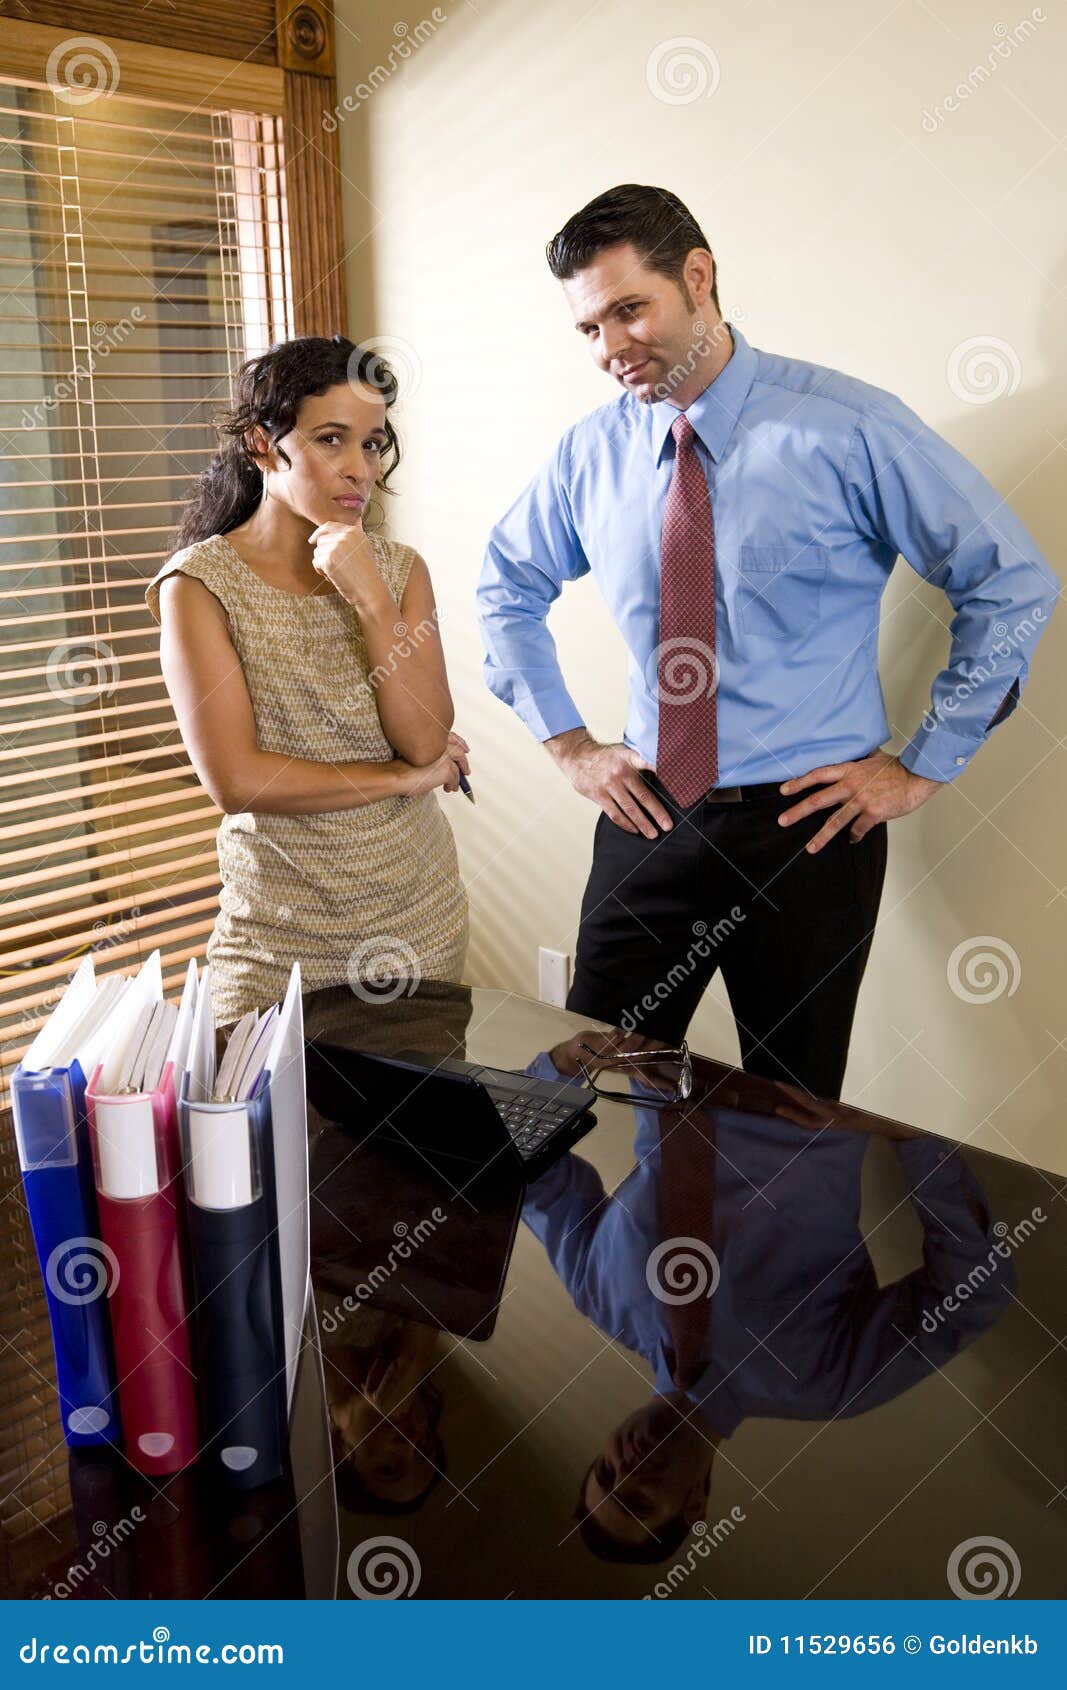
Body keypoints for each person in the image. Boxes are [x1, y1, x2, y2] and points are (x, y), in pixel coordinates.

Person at [477, 184, 1058, 1101]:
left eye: (629, 309)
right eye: (588, 327)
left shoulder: (849, 427)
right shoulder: (589, 454)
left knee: (793, 1113)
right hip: (649, 816)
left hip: (808, 833)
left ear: (697, 277)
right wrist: (570, 746)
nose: (609, 348)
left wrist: (922, 766)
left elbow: (1011, 581)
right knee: (585, 1091)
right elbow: (505, 589)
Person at [146, 335, 470, 1024]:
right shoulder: (199, 586)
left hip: (419, 926)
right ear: (263, 445)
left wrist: (371, 600)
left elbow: (424, 740)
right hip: (275, 945)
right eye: (330, 439)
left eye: (372, 444)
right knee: (255, 1099)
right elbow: (237, 781)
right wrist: (399, 780)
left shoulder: (400, 571)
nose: (359, 469)